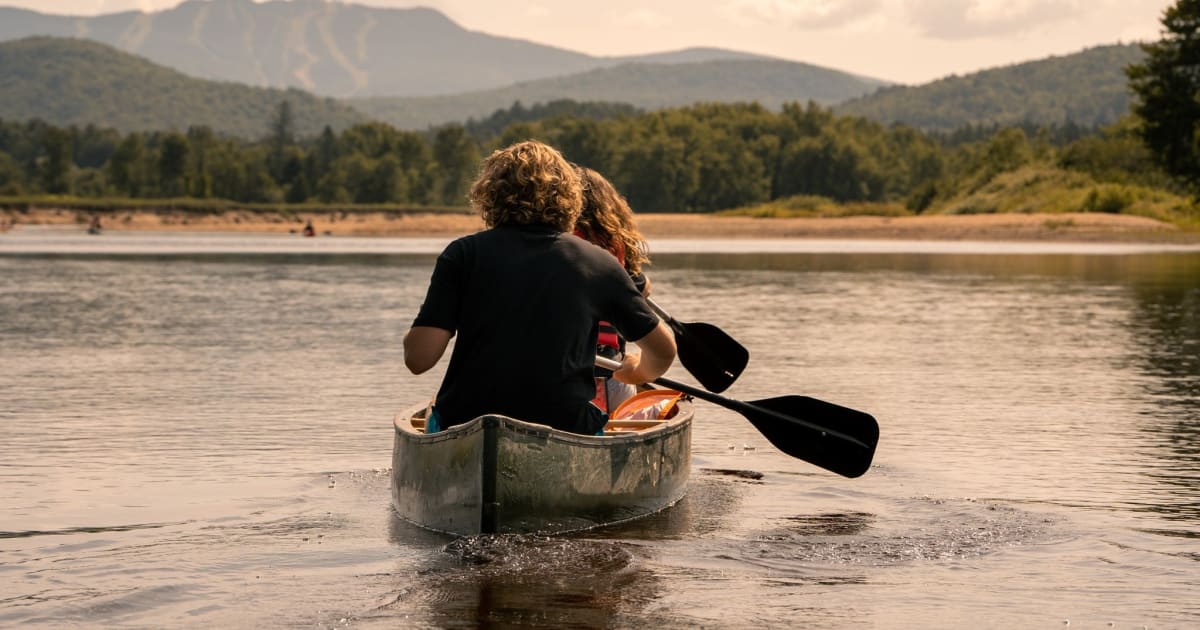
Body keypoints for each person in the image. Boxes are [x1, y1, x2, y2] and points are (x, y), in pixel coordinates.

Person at [403, 140, 676, 435]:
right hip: (567, 425)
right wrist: (637, 371)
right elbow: (663, 351)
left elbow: (418, 360)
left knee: (436, 409)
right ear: (570, 198)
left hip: (468, 419)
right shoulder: (599, 263)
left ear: (489, 194)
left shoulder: (462, 255)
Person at [574, 166, 653, 412]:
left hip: (562, 382)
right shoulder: (618, 250)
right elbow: (640, 287)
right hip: (613, 379)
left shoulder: (557, 247)